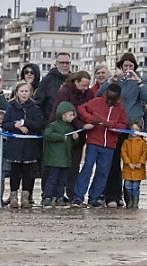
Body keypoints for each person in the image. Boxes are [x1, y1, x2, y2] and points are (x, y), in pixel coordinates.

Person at [101, 53, 147, 207]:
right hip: (116, 125)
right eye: (126, 66)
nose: (128, 69)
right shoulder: (116, 81)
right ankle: (112, 195)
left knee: (132, 161)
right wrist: (111, 80)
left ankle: (130, 196)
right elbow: (100, 95)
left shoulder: (140, 82)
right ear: (120, 66)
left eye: (131, 66)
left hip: (133, 126)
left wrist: (138, 82)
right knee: (114, 161)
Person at [75, 83, 127, 208]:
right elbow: (81, 109)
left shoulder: (120, 108)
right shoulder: (96, 102)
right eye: (109, 96)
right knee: (87, 168)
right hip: (94, 141)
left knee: (103, 172)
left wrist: (112, 126)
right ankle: (78, 197)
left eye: (113, 98)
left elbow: (123, 125)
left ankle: (94, 197)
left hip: (109, 144)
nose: (110, 100)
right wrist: (91, 119)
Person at [52, 71, 93, 203]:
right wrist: (81, 124)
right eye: (83, 85)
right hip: (65, 131)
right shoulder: (64, 92)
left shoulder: (88, 94)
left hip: (79, 135)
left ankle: (71, 193)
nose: (85, 88)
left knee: (74, 165)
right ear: (76, 82)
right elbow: (63, 113)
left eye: (87, 85)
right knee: (59, 165)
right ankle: (55, 193)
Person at [2, 81, 45, 208]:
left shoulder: (35, 108)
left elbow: (39, 124)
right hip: (15, 145)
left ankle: (26, 197)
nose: (24, 94)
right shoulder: (11, 107)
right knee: (14, 172)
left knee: (28, 173)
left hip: (29, 146)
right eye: (22, 91)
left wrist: (25, 122)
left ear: (30, 92)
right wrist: (16, 126)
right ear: (17, 92)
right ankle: (13, 196)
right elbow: (5, 124)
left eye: (26, 91)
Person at [42, 101, 78, 208]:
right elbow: (47, 135)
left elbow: (71, 144)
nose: (72, 117)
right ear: (63, 115)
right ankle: (47, 197)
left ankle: (59, 197)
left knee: (62, 180)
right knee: (52, 179)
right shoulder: (53, 126)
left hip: (65, 159)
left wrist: (75, 139)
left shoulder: (70, 128)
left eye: (73, 115)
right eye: (70, 115)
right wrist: (61, 137)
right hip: (54, 159)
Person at [33, 53, 71, 118]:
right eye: (62, 63)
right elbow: (38, 103)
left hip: (69, 122)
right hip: (50, 121)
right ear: (56, 64)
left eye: (67, 63)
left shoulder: (73, 80)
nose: (65, 65)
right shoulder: (47, 80)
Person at [120, 121, 147, 209]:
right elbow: (123, 153)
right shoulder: (126, 142)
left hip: (138, 168)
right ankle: (130, 200)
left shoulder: (142, 143)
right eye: (132, 130)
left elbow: (145, 154)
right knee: (127, 186)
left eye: (137, 129)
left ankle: (135, 201)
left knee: (136, 186)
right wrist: (128, 162)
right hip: (128, 168)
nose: (134, 132)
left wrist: (140, 162)